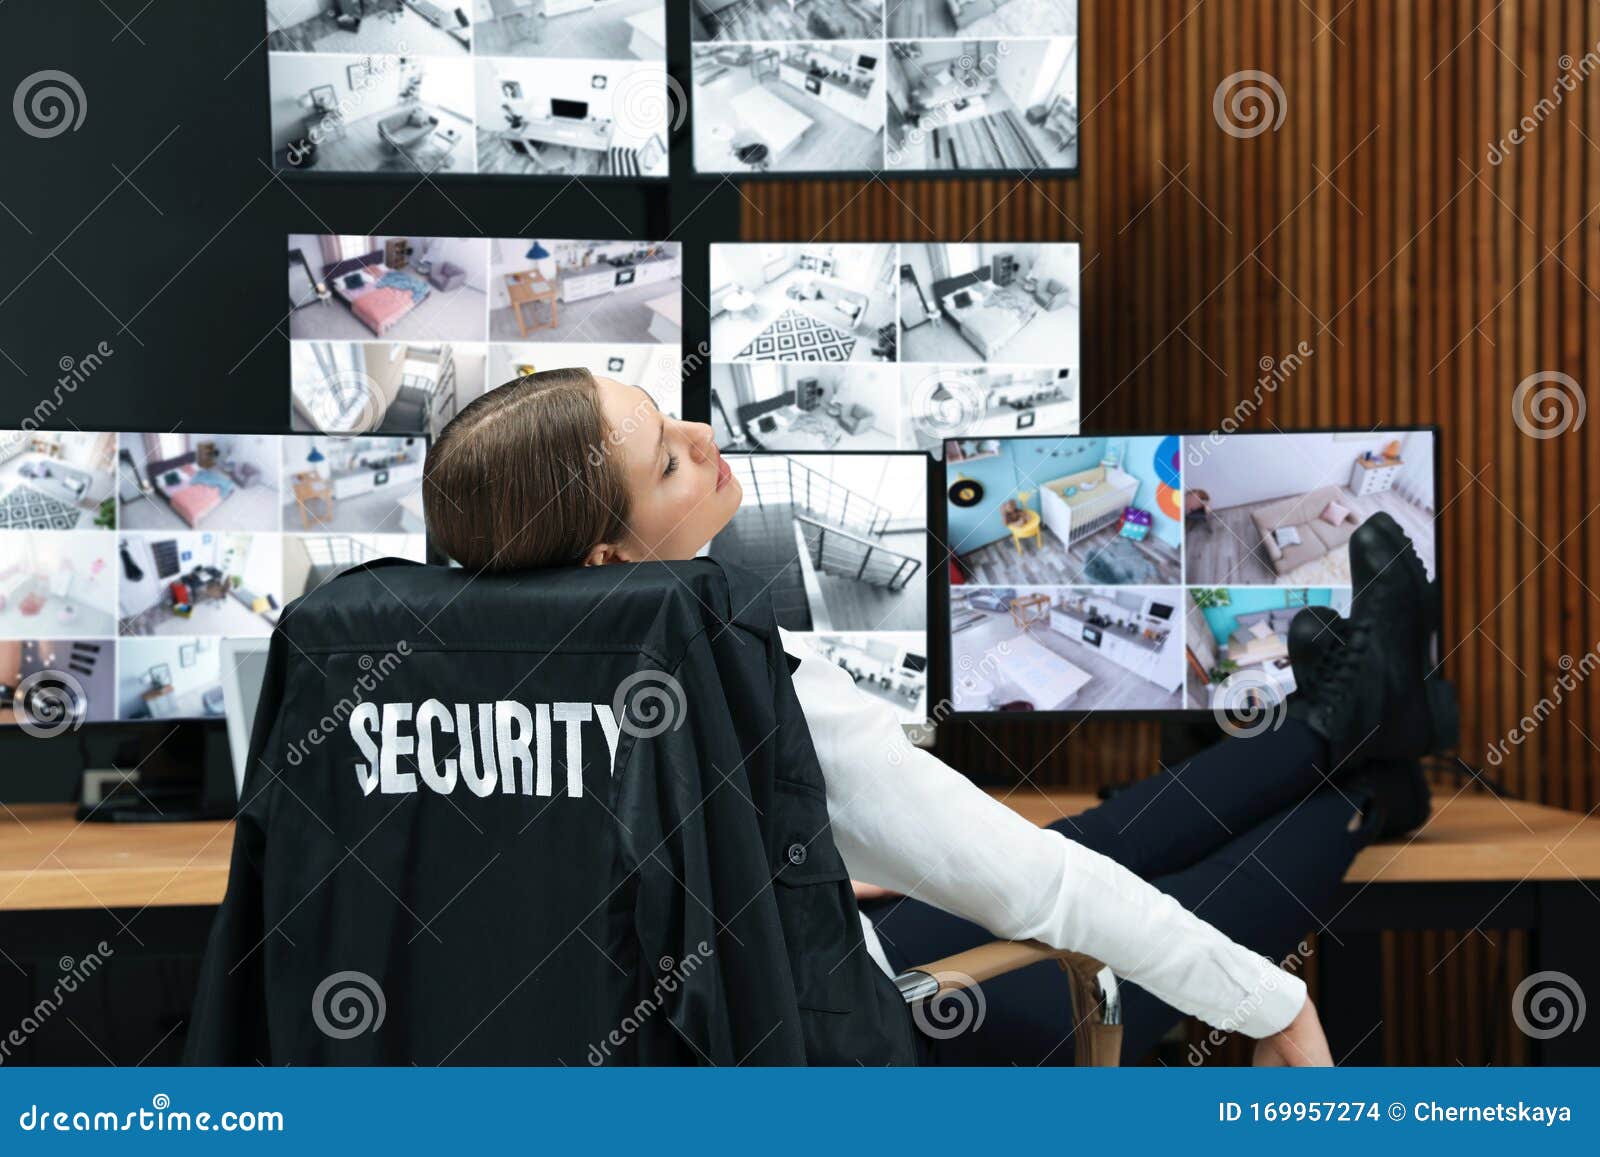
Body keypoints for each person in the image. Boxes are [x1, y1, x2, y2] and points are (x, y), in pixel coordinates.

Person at [421, 368, 1445, 1066]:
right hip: (864, 1046)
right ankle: (1365, 759)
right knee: (1114, 889)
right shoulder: (740, 676)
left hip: (754, 998)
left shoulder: (433, 679)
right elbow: (1041, 891)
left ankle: (1337, 722)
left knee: (1082, 839)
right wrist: (1277, 1003)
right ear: (606, 556)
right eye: (669, 462)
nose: (704, 434)